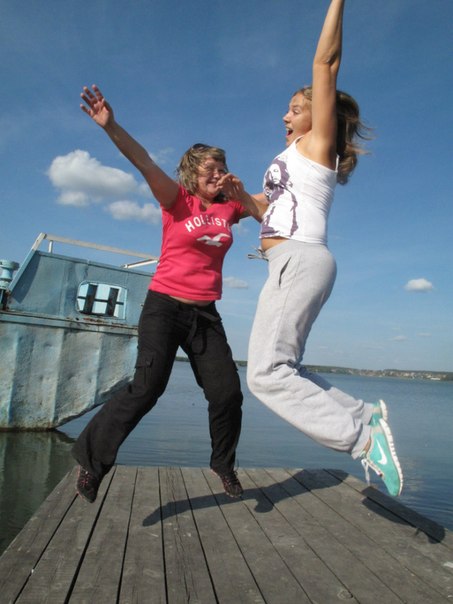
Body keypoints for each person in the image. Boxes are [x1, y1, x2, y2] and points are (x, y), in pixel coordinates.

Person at [220, 0, 403, 497]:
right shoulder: (291, 158)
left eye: (295, 108)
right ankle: (363, 415)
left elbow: (326, 62)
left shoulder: (319, 144)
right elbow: (265, 210)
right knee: (286, 367)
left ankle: (362, 439)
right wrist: (240, 198)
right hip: (292, 260)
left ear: (318, 116)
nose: (285, 115)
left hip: (299, 259)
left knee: (266, 374)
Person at [72, 84, 245, 502]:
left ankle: (223, 465)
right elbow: (143, 161)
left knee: (227, 393)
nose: (218, 175)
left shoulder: (231, 207)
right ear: (192, 174)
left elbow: (269, 205)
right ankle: (92, 463)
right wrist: (110, 126)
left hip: (205, 315)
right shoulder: (176, 199)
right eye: (211, 169)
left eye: (222, 168)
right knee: (147, 388)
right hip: (164, 308)